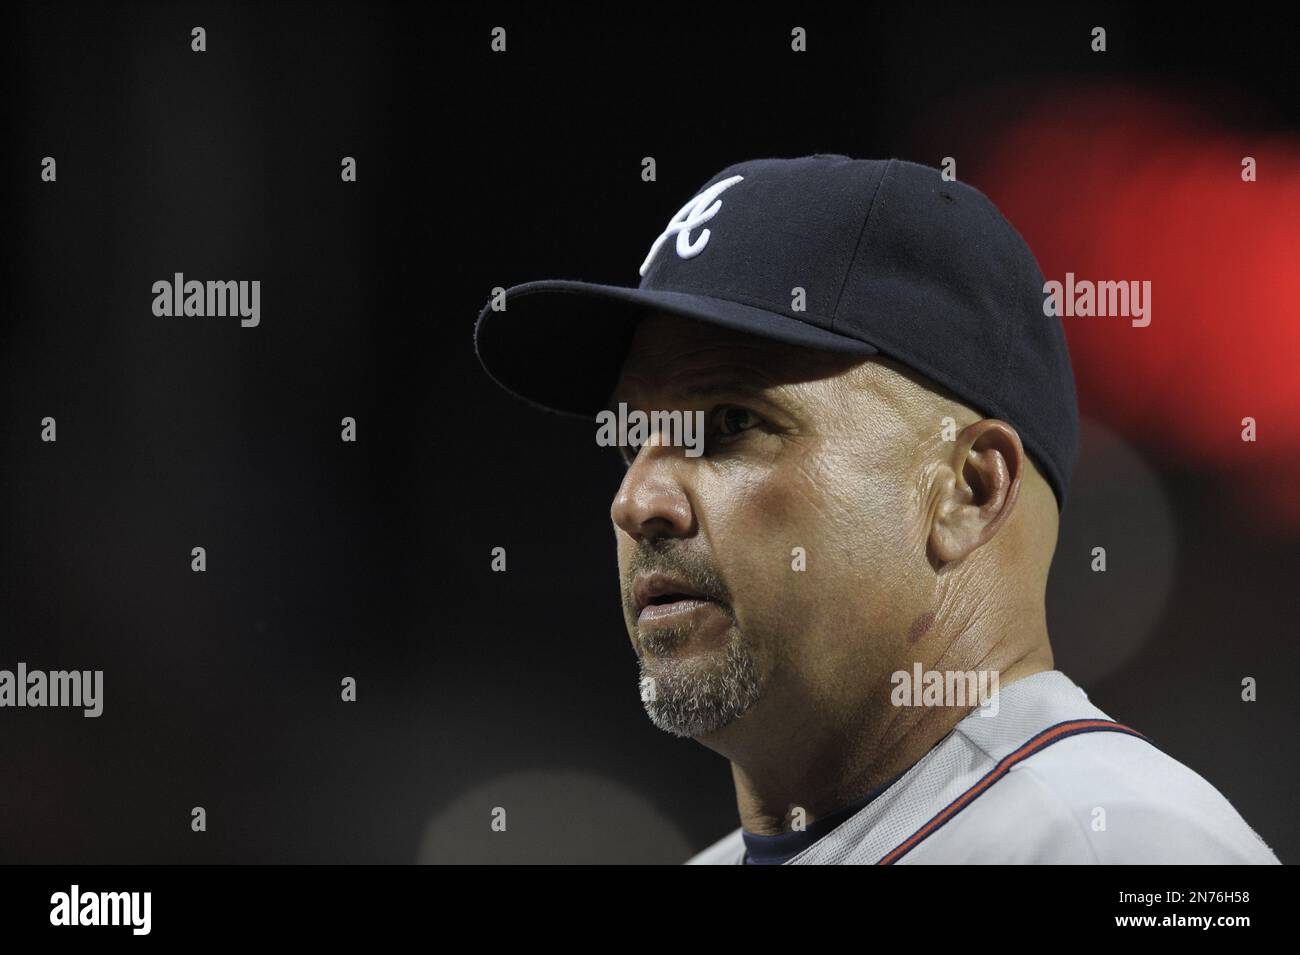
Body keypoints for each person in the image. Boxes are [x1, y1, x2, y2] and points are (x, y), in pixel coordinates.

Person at [474, 155, 1281, 864]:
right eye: (635, 440)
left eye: (729, 424)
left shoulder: (1117, 847)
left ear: (969, 491)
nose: (636, 499)